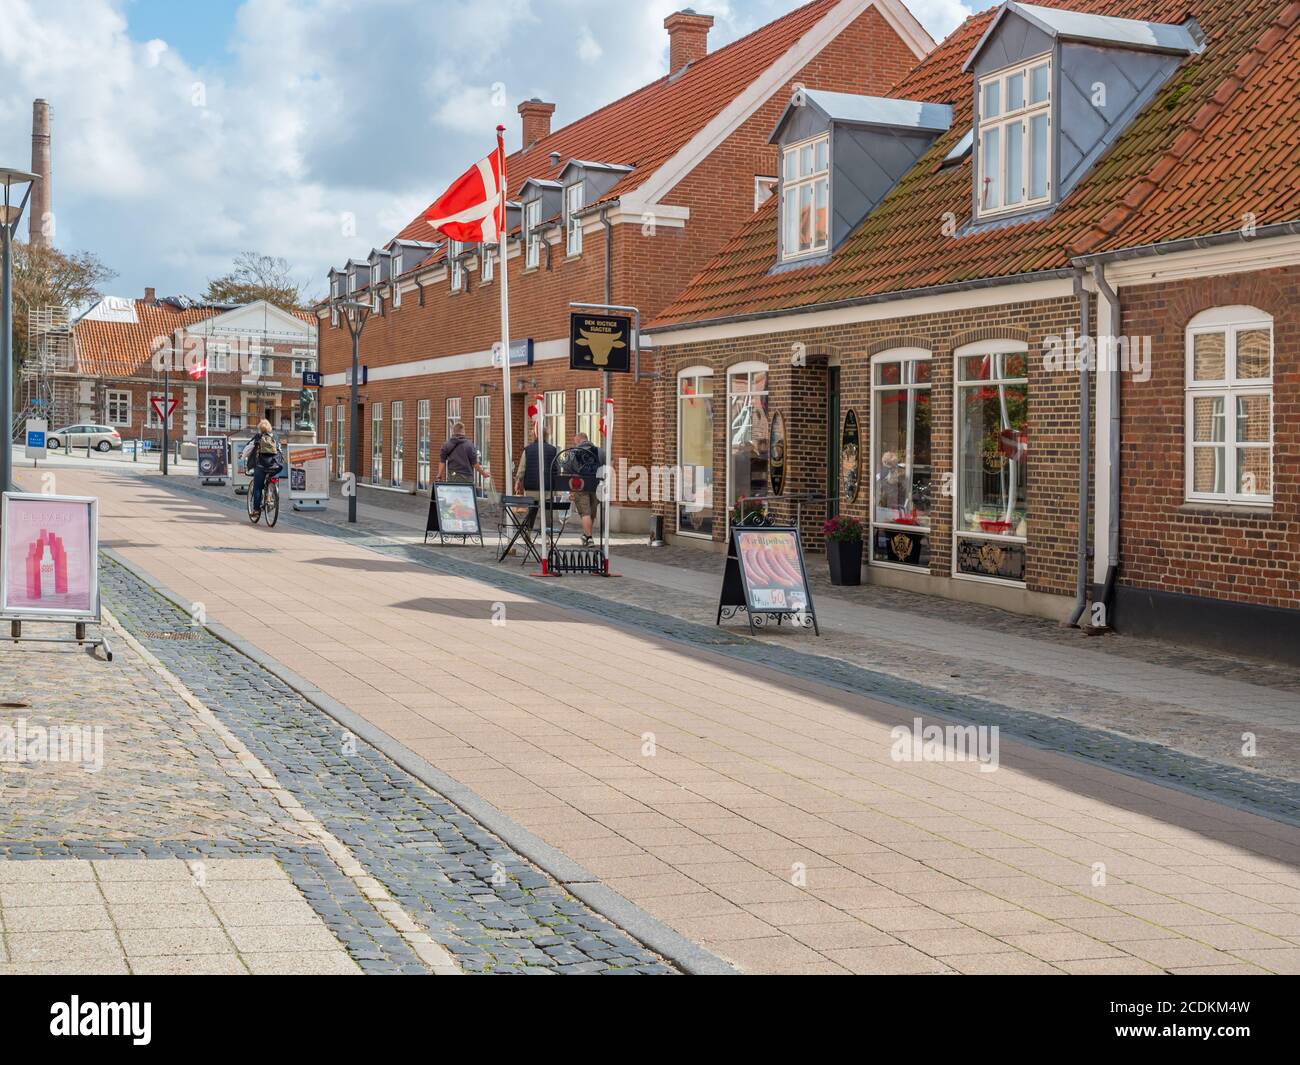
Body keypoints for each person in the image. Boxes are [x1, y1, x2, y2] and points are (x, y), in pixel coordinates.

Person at [513, 425, 558, 528]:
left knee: (531, 512)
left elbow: (522, 468)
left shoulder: (528, 450)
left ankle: (527, 532)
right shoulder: (553, 450)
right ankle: (547, 535)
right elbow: (556, 469)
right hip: (547, 487)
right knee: (547, 513)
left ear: (535, 435)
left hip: (531, 487)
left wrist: (518, 481)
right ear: (547, 436)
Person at [564, 431, 604, 546]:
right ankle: (586, 536)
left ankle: (589, 538)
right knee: (591, 513)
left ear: (578, 440)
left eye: (575, 441)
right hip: (595, 485)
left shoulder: (573, 452)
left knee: (585, 513)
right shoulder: (599, 451)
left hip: (579, 485)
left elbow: (567, 469)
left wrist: (570, 490)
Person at [242, 419, 282, 511]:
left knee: (257, 487)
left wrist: (242, 457)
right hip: (274, 465)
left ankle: (256, 509)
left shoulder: (257, 437)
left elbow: (248, 449)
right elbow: (280, 451)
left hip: (261, 465)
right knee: (273, 480)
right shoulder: (275, 437)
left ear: (260, 429)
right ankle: (271, 497)